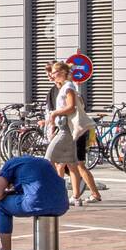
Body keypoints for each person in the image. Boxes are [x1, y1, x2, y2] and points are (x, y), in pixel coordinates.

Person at [0, 154, 70, 250]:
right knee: (40, 202)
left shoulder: (9, 165)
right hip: (61, 204)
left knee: (2, 206)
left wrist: (6, 192)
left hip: (37, 203)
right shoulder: (44, 162)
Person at [46, 60, 102, 204]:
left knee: (68, 162)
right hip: (68, 129)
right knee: (69, 163)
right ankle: (75, 196)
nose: (51, 75)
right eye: (50, 73)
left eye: (53, 72)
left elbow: (71, 108)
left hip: (73, 130)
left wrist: (54, 114)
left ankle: (86, 194)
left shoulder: (68, 87)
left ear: (62, 73)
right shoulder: (62, 87)